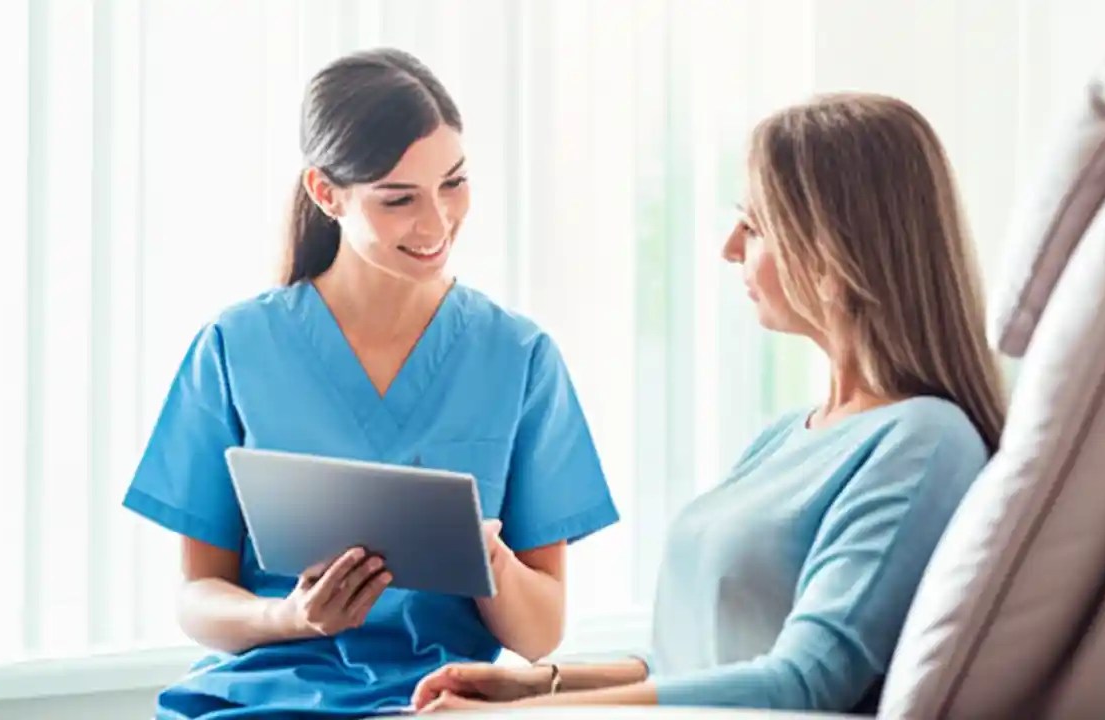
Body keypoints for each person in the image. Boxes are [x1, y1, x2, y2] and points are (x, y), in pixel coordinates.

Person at [411, 92, 1007, 715]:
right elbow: (691, 663)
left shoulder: (925, 441)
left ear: (834, 249)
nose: (728, 248)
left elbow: (803, 683)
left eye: (753, 227)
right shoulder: (787, 436)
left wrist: (525, 716)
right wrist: (536, 683)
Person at [121, 48, 619, 719]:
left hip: (440, 703)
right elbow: (198, 597)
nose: (438, 222)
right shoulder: (236, 348)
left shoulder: (519, 357)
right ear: (327, 193)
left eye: (454, 182)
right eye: (398, 199)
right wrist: (293, 617)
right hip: (261, 700)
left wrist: (489, 557)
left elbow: (540, 634)